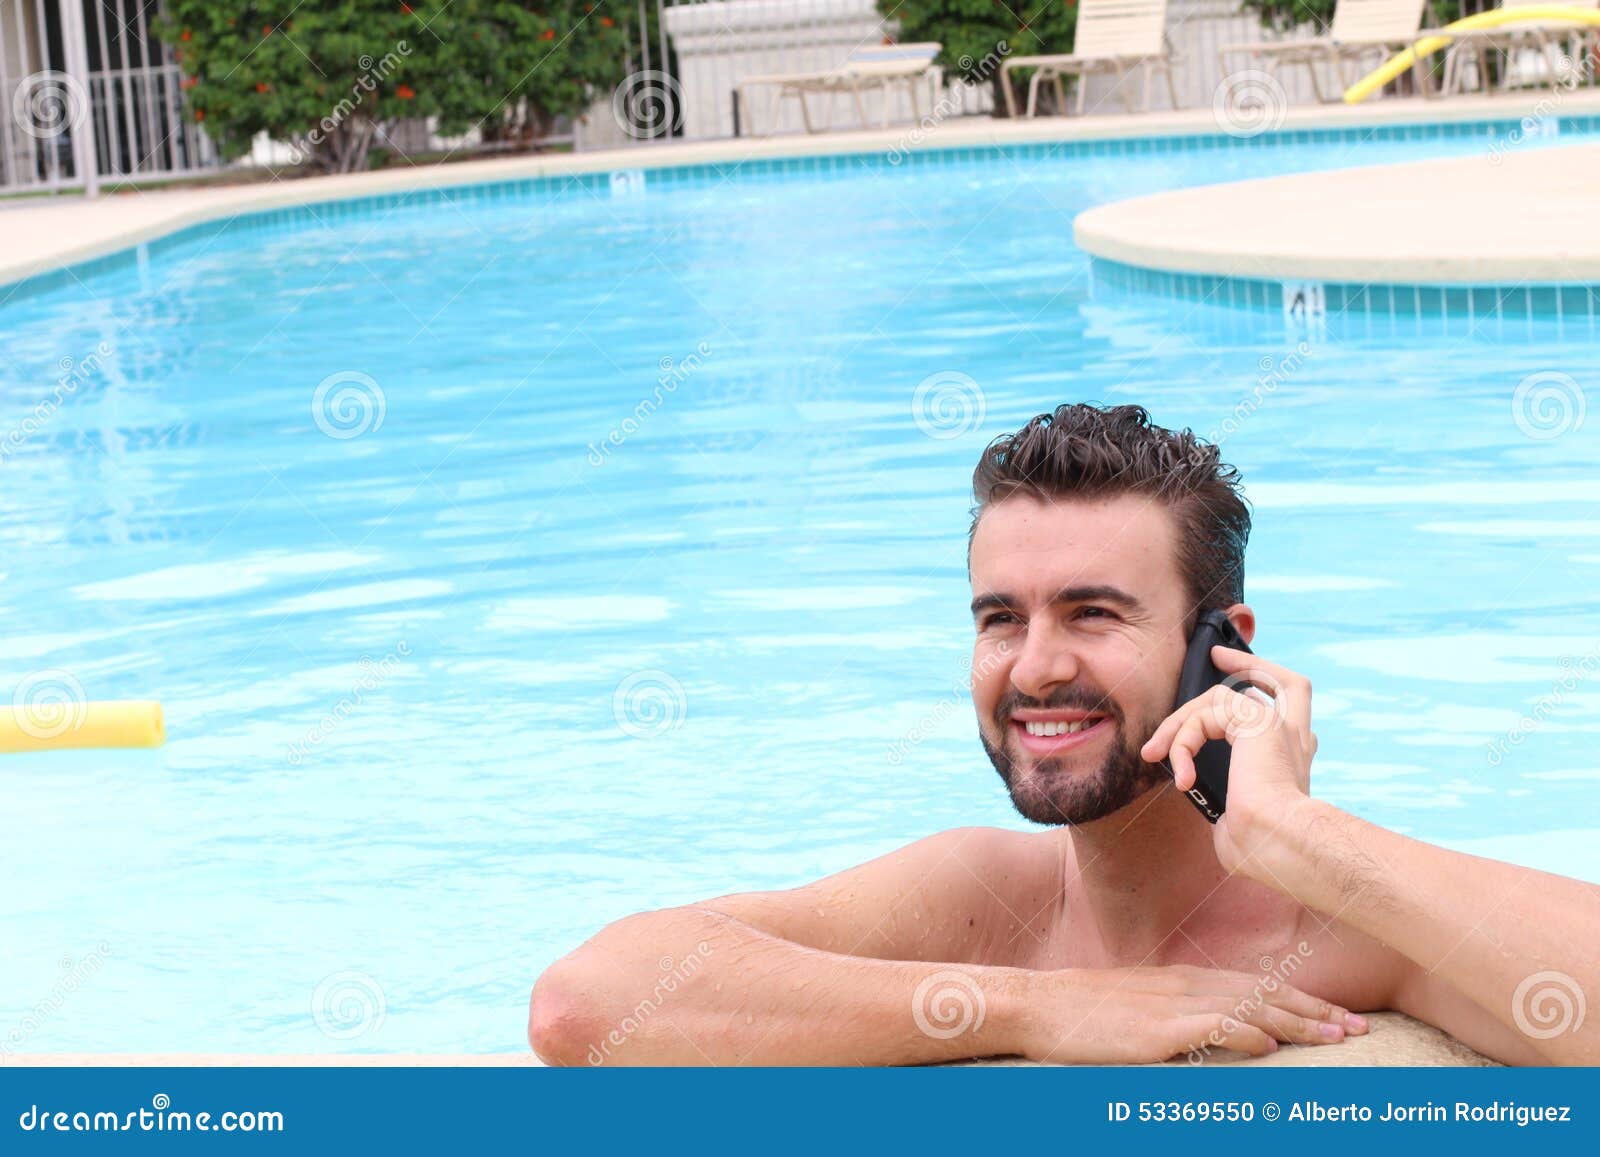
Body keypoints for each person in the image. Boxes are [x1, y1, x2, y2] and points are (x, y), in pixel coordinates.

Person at [528, 403, 1599, 1066]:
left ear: (1219, 644)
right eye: (1001, 616)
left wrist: (1297, 833)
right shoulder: (983, 899)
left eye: (1092, 612)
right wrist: (1038, 1009)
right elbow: (588, 1002)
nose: (1034, 665)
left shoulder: (1330, 925)